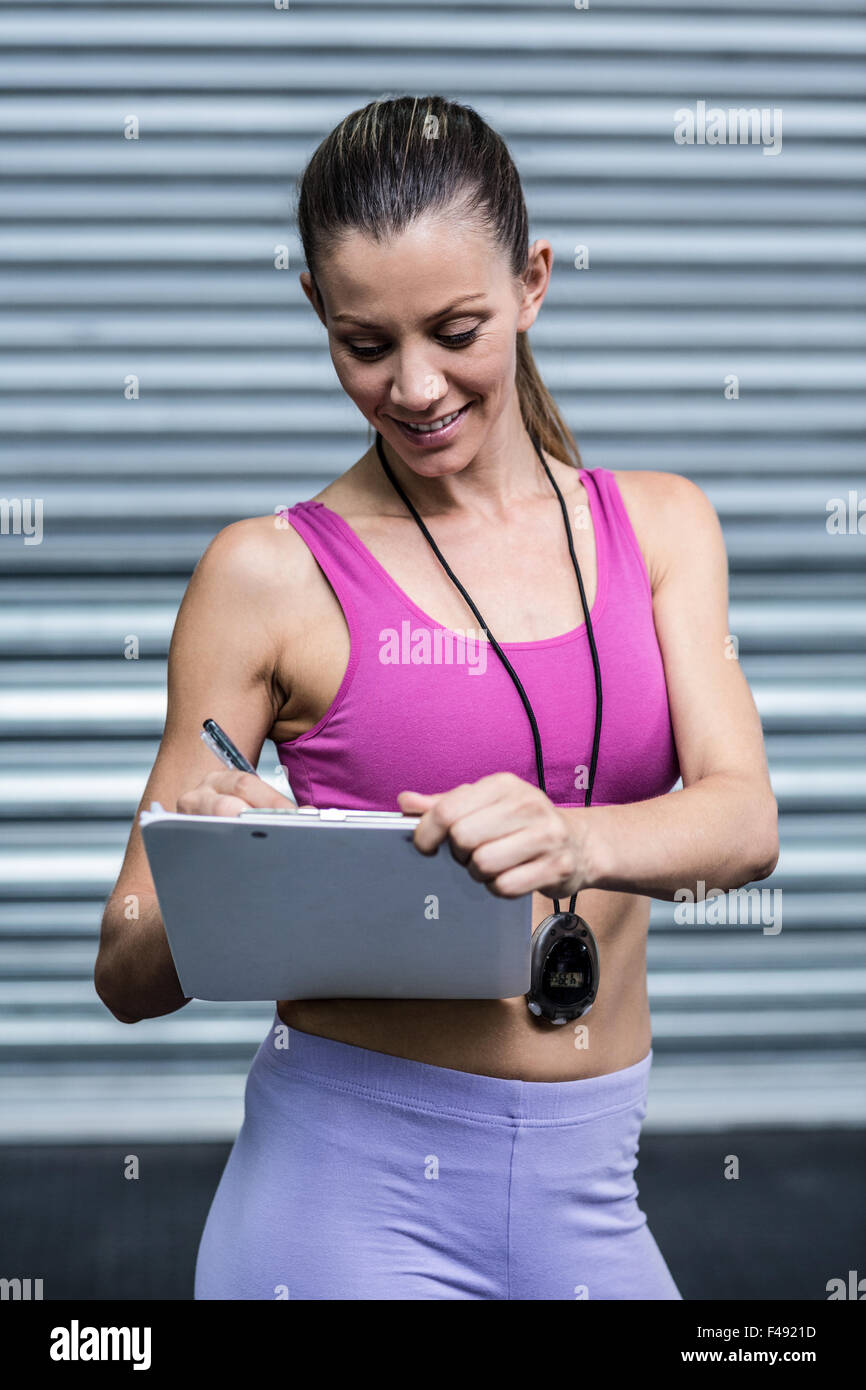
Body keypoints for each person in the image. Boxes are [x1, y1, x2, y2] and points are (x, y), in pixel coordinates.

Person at [95, 95, 779, 1300]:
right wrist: (219, 859)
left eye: (455, 329)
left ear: (532, 282)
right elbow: (128, 972)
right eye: (365, 345)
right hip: (340, 1199)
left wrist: (574, 835)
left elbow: (741, 824)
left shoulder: (660, 527)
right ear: (317, 312)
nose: (415, 387)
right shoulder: (268, 573)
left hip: (587, 1185)